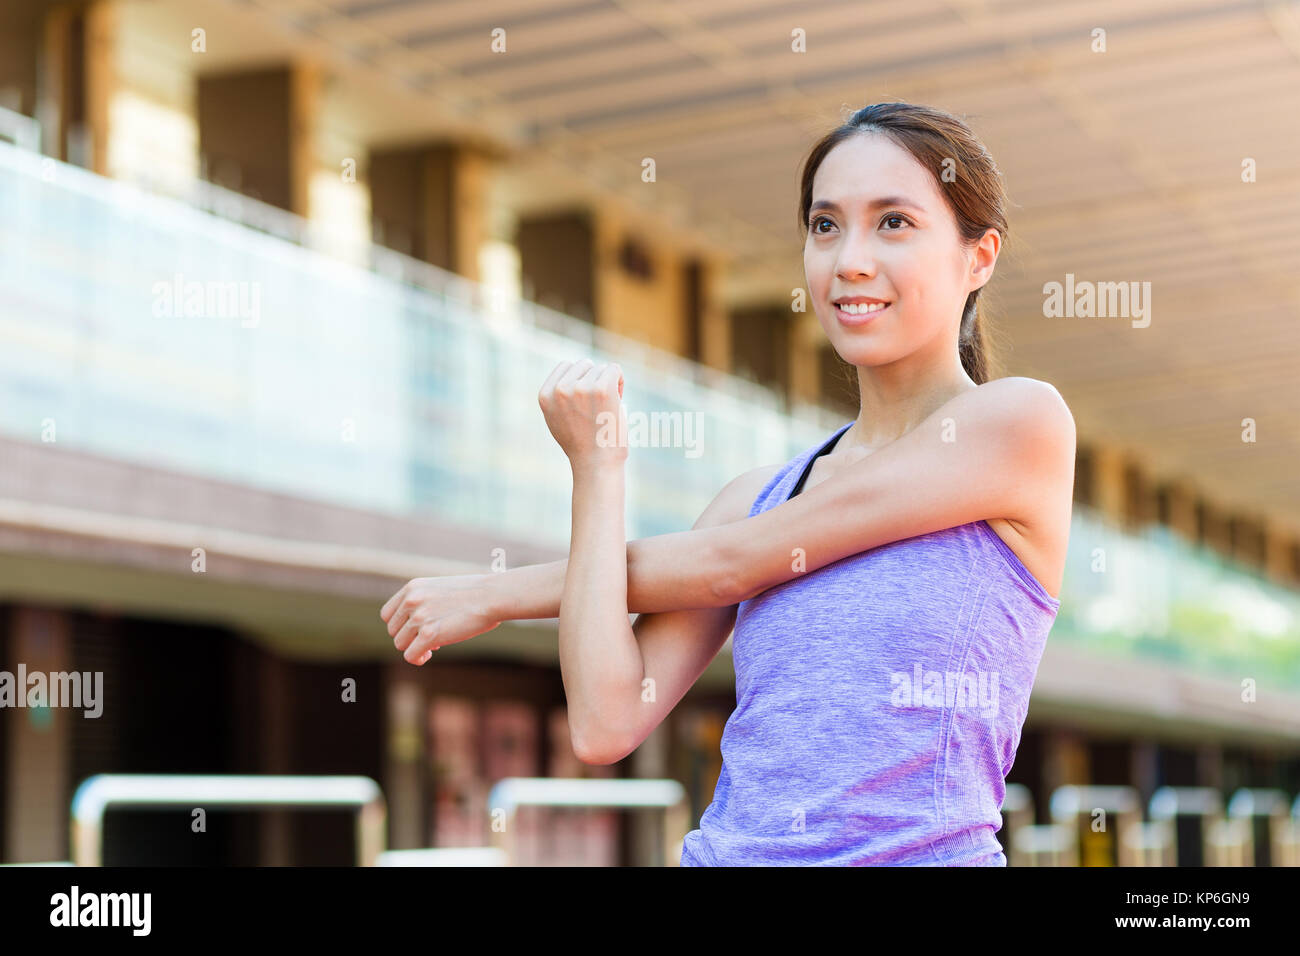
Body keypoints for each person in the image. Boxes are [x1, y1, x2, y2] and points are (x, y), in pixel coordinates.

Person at [383, 102, 1075, 866]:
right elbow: (606, 721)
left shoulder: (1019, 426)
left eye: (894, 223)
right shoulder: (758, 497)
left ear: (979, 257)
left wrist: (495, 594)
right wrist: (599, 468)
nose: (849, 259)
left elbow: (729, 565)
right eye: (825, 225)